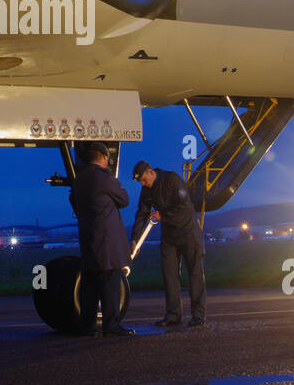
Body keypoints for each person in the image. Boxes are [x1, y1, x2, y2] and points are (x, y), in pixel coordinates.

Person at [69, 142, 134, 337]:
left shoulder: (79, 179)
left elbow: (73, 201)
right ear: (104, 157)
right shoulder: (104, 178)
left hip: (88, 236)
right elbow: (124, 199)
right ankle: (111, 324)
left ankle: (87, 325)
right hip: (107, 240)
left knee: (89, 285)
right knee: (110, 282)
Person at [131, 160, 207, 327]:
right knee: (169, 274)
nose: (143, 184)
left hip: (188, 232)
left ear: (150, 172)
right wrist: (135, 239)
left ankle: (198, 315)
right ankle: (173, 315)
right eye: (141, 182)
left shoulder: (172, 179)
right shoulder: (146, 191)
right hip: (169, 237)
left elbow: (185, 206)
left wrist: (162, 216)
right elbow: (142, 214)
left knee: (195, 273)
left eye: (144, 180)